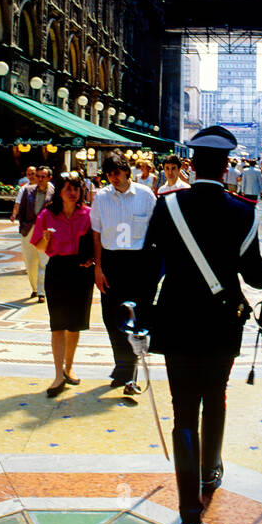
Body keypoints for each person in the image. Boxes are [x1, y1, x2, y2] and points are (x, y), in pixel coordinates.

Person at [139, 126, 262, 524]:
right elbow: (254, 275)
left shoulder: (168, 205)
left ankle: (189, 513)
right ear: (228, 166)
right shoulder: (244, 211)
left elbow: (148, 266)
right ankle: (211, 471)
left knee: (182, 410)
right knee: (216, 395)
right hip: (221, 320)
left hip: (175, 317)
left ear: (191, 166)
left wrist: (140, 316)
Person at [91, 152, 157, 395]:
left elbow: (155, 230)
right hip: (111, 261)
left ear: (127, 172)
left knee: (136, 316)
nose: (113, 178)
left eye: (116, 173)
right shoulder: (101, 197)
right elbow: (96, 233)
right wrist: (98, 268)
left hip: (138, 262)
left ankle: (130, 372)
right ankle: (122, 364)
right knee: (111, 317)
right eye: (108, 174)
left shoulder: (145, 196)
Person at [31, 172, 96, 397]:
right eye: (68, 188)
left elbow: (97, 243)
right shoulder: (48, 215)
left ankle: (69, 366)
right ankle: (58, 374)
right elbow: (38, 247)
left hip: (81, 271)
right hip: (57, 268)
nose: (72, 192)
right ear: (59, 191)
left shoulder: (88, 214)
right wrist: (46, 239)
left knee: (75, 324)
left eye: (76, 188)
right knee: (57, 325)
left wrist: (94, 261)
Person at [16, 166, 54, 301]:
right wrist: (23, 226)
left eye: (43, 176)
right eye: (38, 176)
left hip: (45, 231)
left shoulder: (54, 192)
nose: (40, 179)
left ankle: (41, 292)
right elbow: (22, 210)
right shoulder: (27, 191)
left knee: (44, 262)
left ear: (49, 178)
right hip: (29, 229)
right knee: (30, 262)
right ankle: (35, 288)